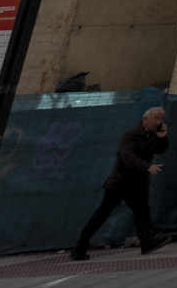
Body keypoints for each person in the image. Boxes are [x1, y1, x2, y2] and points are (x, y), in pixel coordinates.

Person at [71, 103, 169, 259]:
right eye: (156, 119)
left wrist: (162, 138)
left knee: (142, 212)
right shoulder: (131, 135)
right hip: (121, 183)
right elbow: (127, 157)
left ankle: (147, 242)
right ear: (145, 119)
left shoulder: (151, 135)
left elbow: (161, 150)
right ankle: (79, 247)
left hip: (138, 183)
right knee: (102, 214)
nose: (159, 122)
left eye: (161, 119)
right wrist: (147, 166)